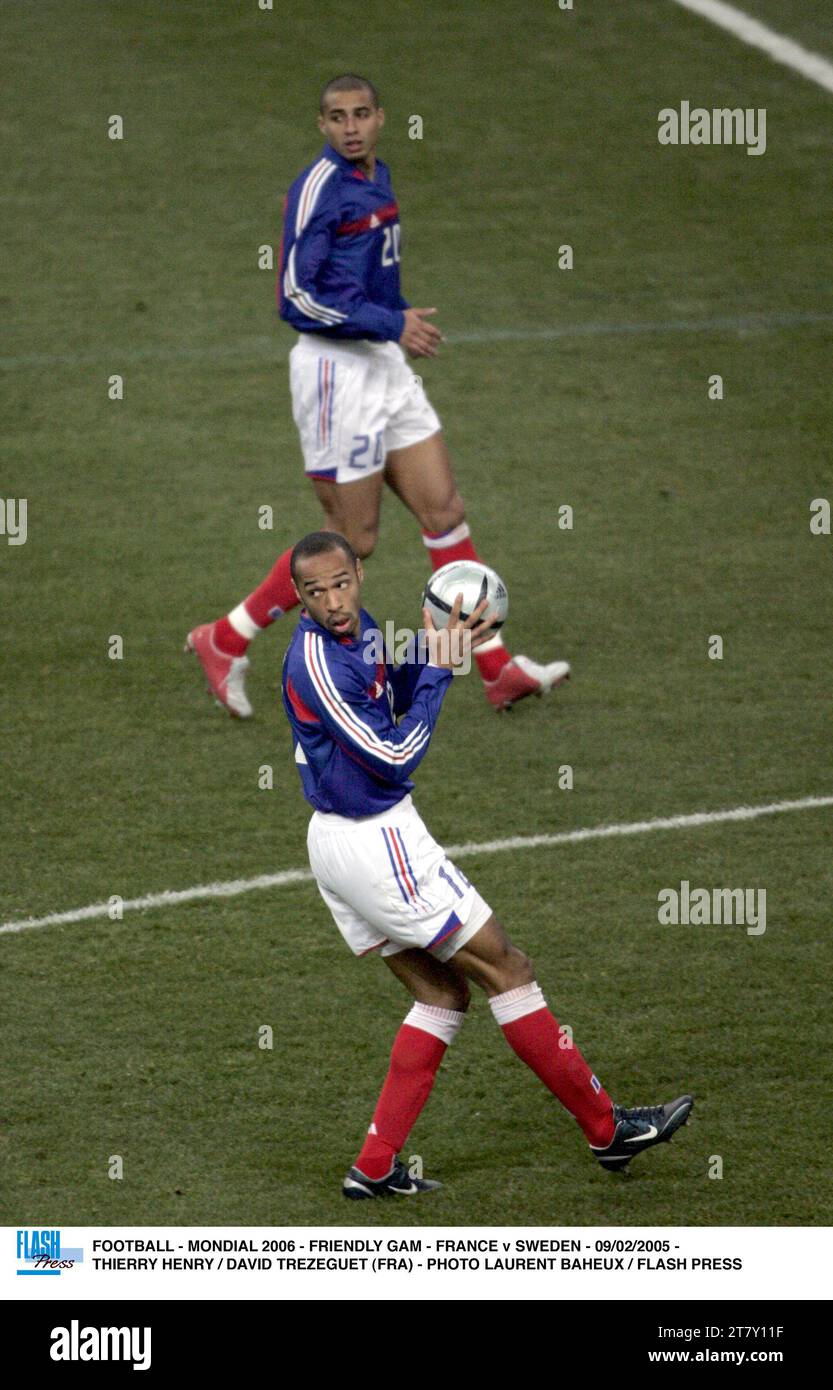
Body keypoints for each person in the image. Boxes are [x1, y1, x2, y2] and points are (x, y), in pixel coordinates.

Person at [281, 530, 693, 1199]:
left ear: (358, 572)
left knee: (442, 993)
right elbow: (390, 757)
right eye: (315, 591)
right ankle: (605, 1130)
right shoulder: (316, 663)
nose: (332, 600)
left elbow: (390, 677)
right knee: (508, 967)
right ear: (297, 596)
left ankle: (375, 1165)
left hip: (342, 843)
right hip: (376, 841)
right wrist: (442, 670)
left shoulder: (359, 634)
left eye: (341, 582)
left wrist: (439, 649)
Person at [187, 73, 569, 717]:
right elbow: (296, 297)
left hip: (383, 366)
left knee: (444, 511)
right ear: (322, 126)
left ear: (381, 118)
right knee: (352, 541)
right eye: (338, 117)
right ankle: (224, 640)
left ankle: (497, 668)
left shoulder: (378, 177)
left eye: (362, 114)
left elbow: (369, 275)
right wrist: (392, 322)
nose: (352, 127)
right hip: (336, 376)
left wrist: (396, 316)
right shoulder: (318, 190)